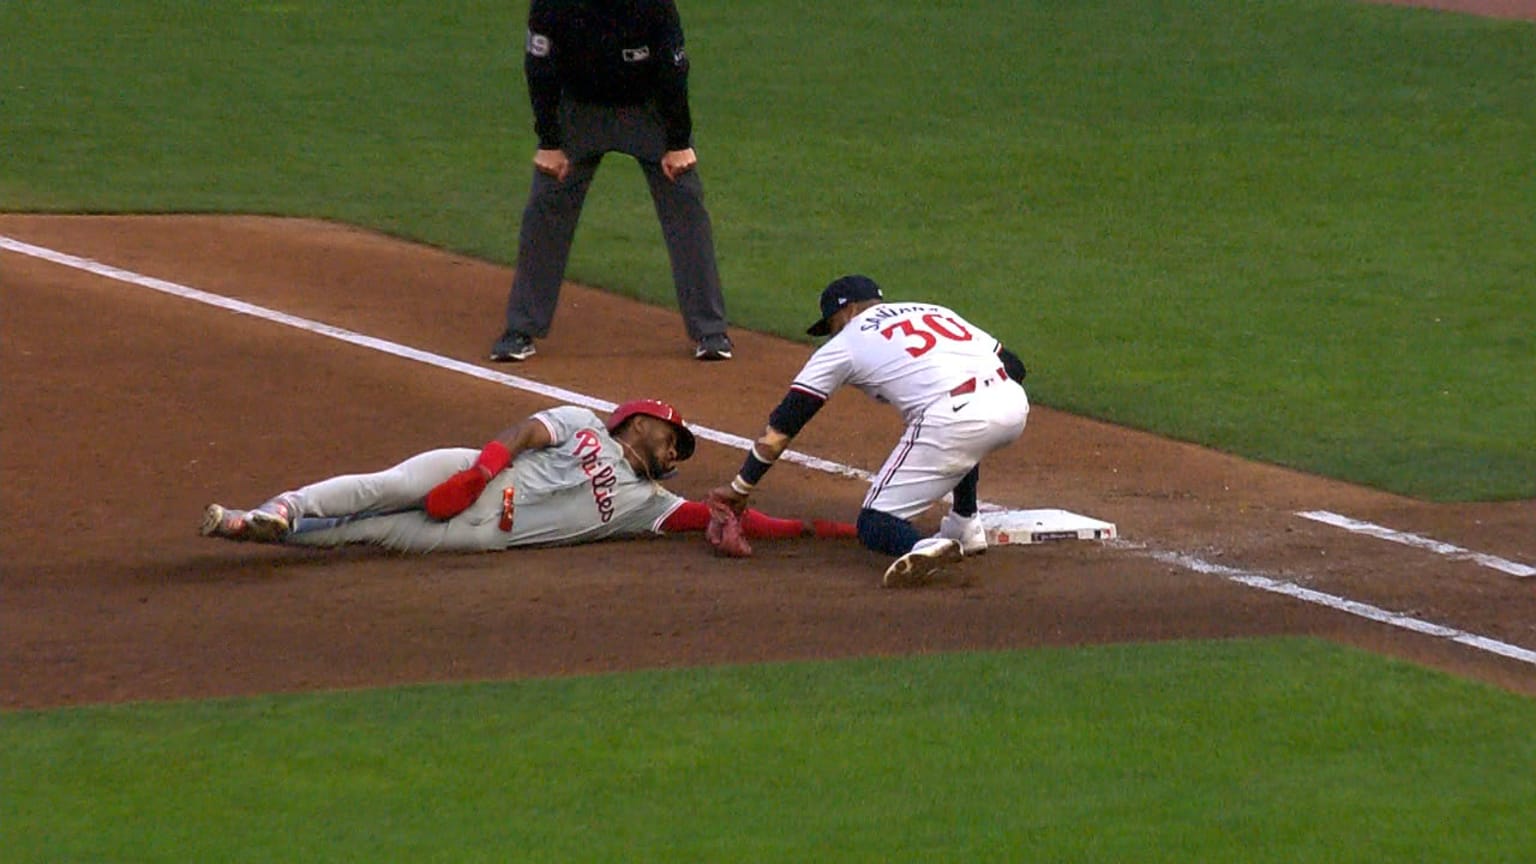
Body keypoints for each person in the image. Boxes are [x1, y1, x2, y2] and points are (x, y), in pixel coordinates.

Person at [707, 275, 1030, 588]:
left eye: (831, 326)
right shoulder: (933, 311)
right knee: (959, 440)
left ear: (846, 312)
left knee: (875, 525)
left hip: (953, 419)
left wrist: (741, 486)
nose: (833, 334)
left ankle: (922, 548)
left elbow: (787, 420)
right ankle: (964, 523)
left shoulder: (846, 342)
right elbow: (1015, 365)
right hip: (1013, 404)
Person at [201, 400, 851, 552]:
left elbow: (715, 514)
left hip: (488, 533)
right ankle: (283, 506)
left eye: (680, 448)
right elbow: (523, 435)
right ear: (636, 422)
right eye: (670, 437)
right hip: (480, 474)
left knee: (366, 534)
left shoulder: (647, 503)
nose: (676, 452)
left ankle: (263, 531)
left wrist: (813, 529)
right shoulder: (585, 422)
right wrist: (483, 469)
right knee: (382, 487)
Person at [490, 0, 733, 364]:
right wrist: (550, 142)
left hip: (649, 111)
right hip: (579, 112)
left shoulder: (653, 5)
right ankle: (520, 328)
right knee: (545, 209)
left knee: (686, 206)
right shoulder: (551, 5)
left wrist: (679, 142)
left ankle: (711, 332)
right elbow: (539, 67)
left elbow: (673, 68)